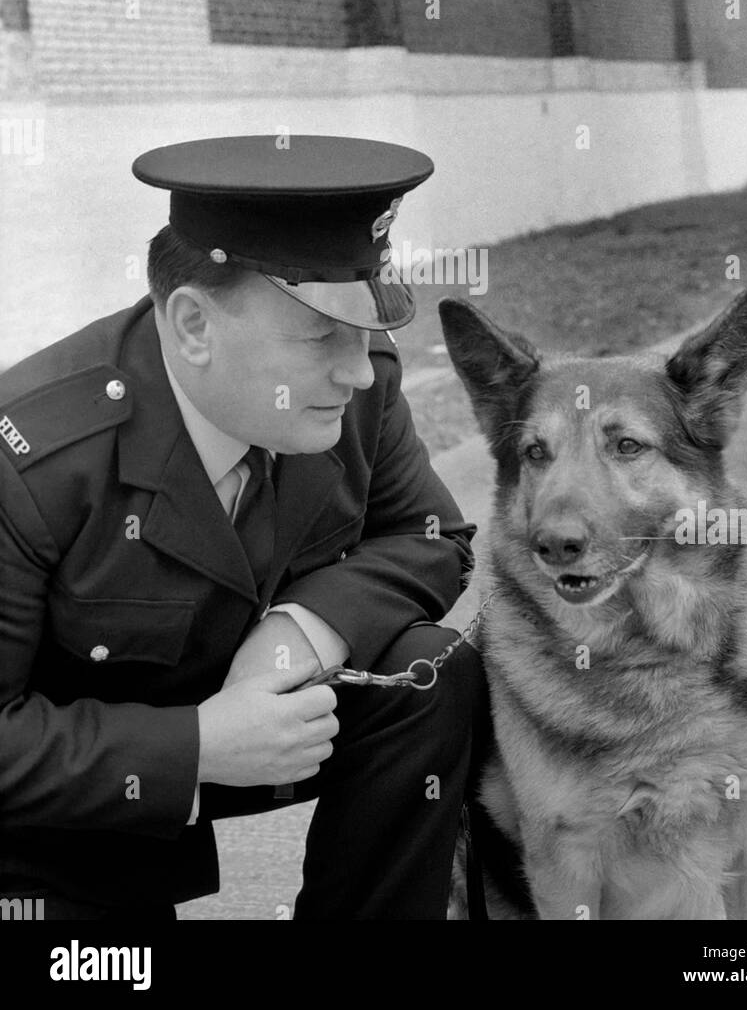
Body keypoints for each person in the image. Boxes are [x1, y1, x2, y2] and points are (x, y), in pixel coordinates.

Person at [0, 134, 488, 920]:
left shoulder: (356, 389)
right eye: (321, 335)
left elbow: (431, 535)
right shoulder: (32, 459)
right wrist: (198, 744)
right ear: (194, 325)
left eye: (365, 332)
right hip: (67, 808)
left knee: (425, 672)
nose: (360, 370)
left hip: (271, 719)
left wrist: (306, 628)